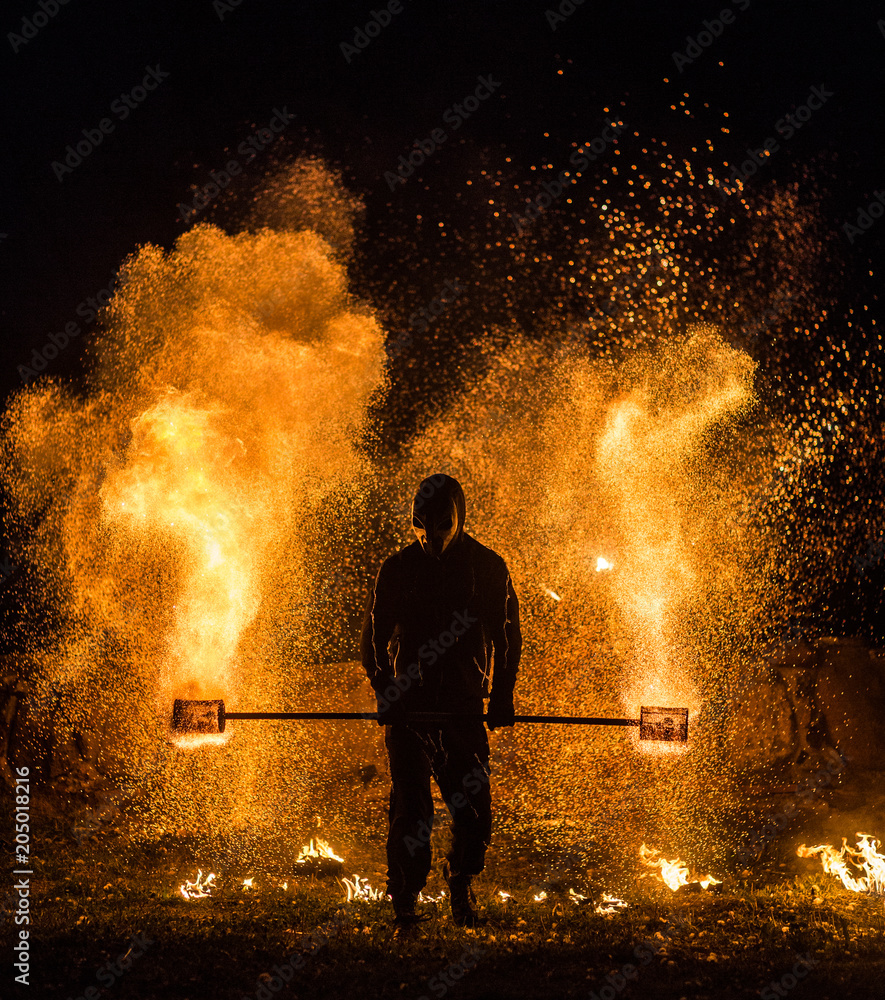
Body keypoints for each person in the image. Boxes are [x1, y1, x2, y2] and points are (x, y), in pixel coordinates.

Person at [361, 473, 521, 929]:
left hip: (463, 706)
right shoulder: (399, 568)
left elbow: (508, 635)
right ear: (416, 521)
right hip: (409, 710)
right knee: (411, 809)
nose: (434, 535)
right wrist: (384, 687)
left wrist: (503, 694)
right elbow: (373, 634)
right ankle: (406, 900)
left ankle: (462, 881)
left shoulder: (487, 567)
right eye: (425, 524)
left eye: (443, 523)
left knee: (472, 806)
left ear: (459, 518)